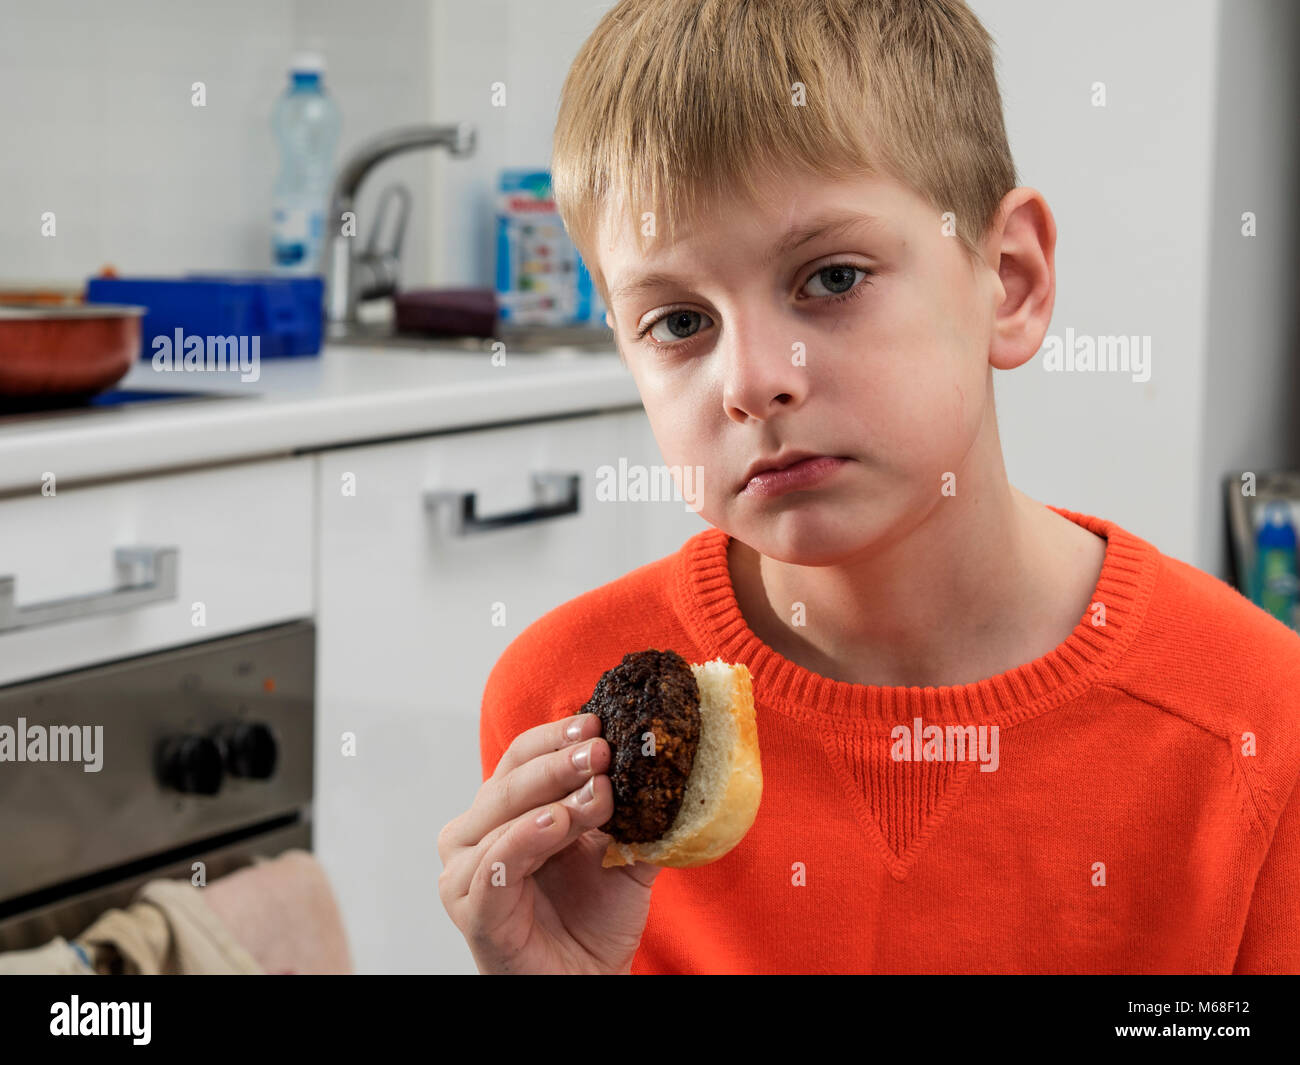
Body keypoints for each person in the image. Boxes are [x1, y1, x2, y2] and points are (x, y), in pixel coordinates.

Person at [437, 0, 1300, 975]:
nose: (753, 380)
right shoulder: (566, 718)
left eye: (832, 279)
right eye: (679, 323)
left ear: (1007, 283)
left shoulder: (1260, 725)